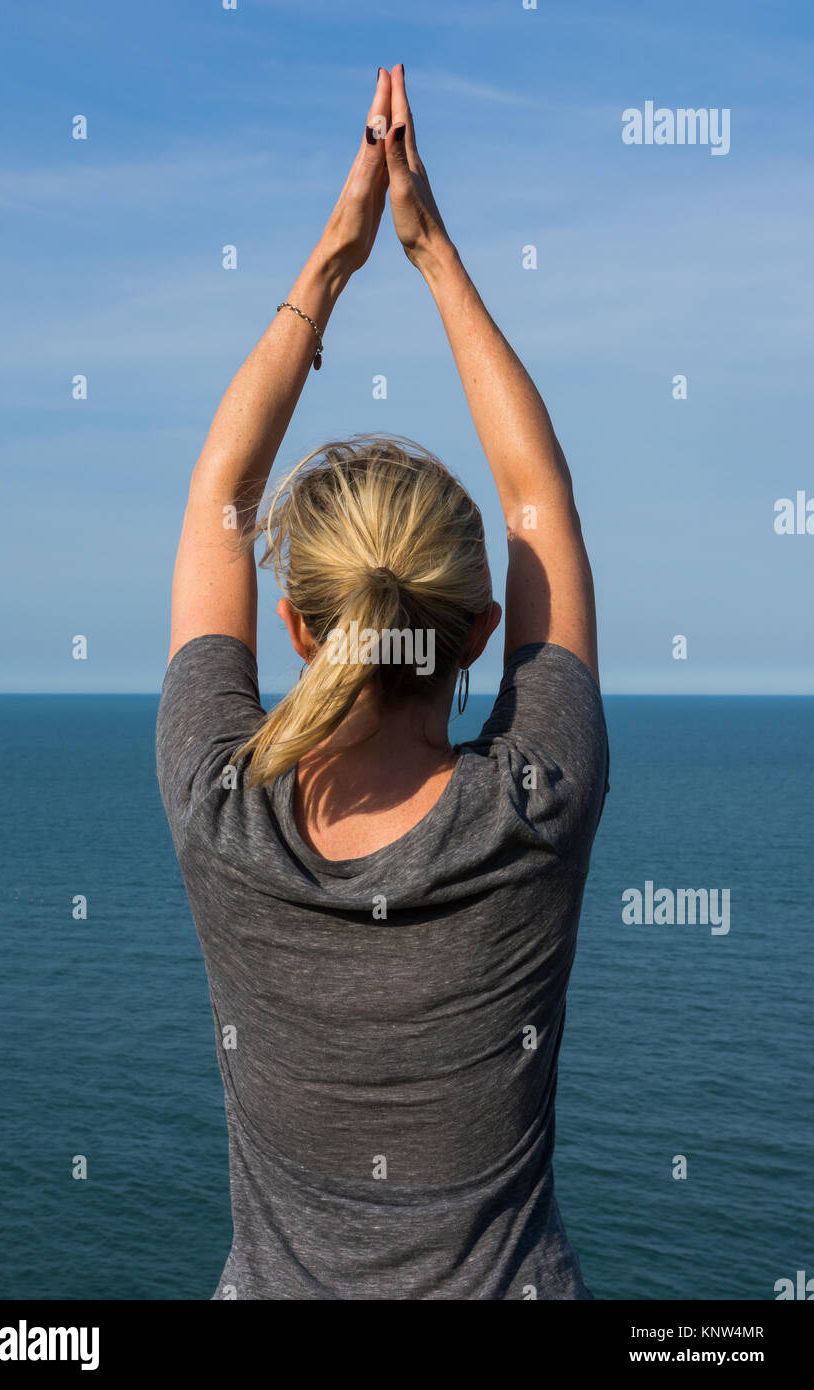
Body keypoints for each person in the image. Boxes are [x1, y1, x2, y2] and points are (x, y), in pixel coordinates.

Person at [156, 64, 609, 1300]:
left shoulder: (222, 806)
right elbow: (536, 499)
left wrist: (332, 258)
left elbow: (216, 499)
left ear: (300, 631)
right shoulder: (536, 803)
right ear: (474, 633)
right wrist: (429, 250)